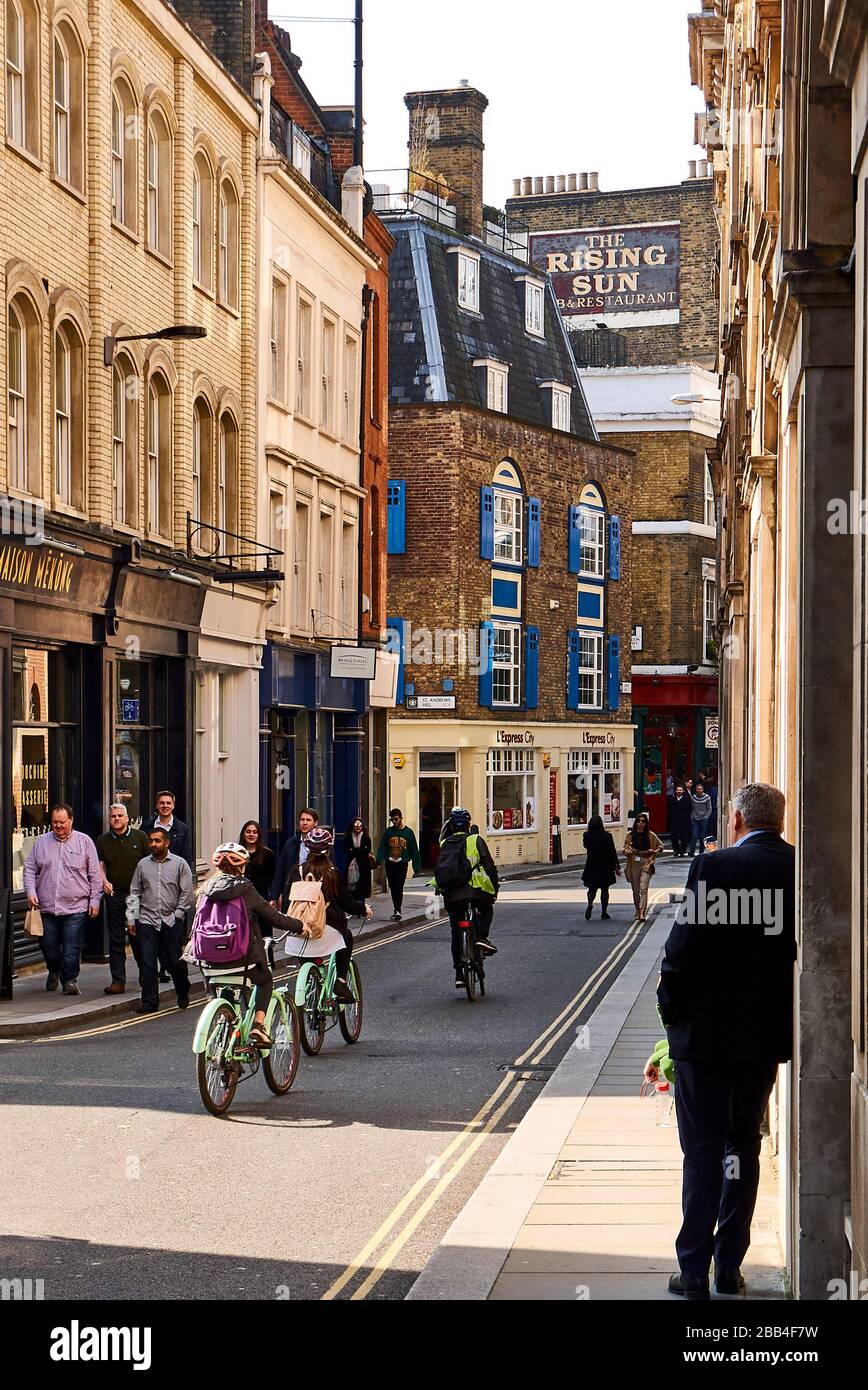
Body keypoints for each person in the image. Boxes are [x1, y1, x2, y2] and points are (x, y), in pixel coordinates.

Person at [657, 782, 796, 1300]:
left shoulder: (714, 869)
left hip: (704, 1041)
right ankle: (728, 1268)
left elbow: (680, 952)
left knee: (701, 1150)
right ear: (779, 822)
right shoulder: (795, 868)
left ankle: (692, 1270)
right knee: (743, 1147)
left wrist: (671, 1016)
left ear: (736, 819)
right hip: (759, 1041)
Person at [193, 842, 305, 1047]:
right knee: (265, 981)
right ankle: (258, 1026)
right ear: (242, 866)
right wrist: (299, 925)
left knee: (215, 979)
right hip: (241, 959)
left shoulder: (204, 890)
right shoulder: (245, 889)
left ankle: (220, 1015)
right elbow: (274, 918)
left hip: (208, 961)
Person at [23, 803, 102, 996]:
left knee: (71, 947)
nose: (58, 826)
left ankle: (69, 980)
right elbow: (30, 870)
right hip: (46, 906)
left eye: (62, 822)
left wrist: (94, 901)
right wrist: (30, 892)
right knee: (49, 947)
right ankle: (54, 969)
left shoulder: (85, 842)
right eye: (54, 822)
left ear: (71, 821)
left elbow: (95, 875)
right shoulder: (41, 842)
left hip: (76, 906)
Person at [126, 827, 195, 1014]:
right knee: (148, 962)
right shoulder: (142, 865)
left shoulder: (180, 864)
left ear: (166, 843)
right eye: (151, 841)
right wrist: (131, 918)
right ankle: (149, 1002)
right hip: (147, 920)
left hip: (171, 920)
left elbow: (187, 893)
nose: (153, 844)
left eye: (157, 841)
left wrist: (177, 915)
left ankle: (183, 990)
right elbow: (135, 892)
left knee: (174, 961)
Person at [300, 826, 372, 1002]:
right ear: (329, 849)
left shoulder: (298, 871)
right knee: (346, 936)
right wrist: (363, 909)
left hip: (301, 928)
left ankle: (311, 979)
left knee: (306, 953)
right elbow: (345, 901)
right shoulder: (332, 873)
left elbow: (288, 899)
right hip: (327, 928)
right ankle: (340, 981)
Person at [434, 807, 499, 989]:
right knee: (486, 909)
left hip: (452, 894)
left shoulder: (444, 843)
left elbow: (439, 869)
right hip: (476, 890)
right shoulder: (475, 839)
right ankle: (481, 937)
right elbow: (489, 866)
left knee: (456, 931)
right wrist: (494, 889)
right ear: (469, 824)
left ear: (451, 826)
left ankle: (459, 974)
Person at [97, 804, 151, 995]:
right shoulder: (102, 841)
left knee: (137, 938)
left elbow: (149, 864)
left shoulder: (140, 837)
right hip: (114, 896)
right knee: (116, 940)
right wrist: (103, 881)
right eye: (113, 816)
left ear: (128, 819)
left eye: (120, 816)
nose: (116, 819)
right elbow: (100, 866)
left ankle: (146, 979)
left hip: (135, 897)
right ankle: (118, 982)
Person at [375, 809, 421, 922]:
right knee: (392, 886)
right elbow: (382, 847)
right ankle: (397, 909)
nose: (394, 822)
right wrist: (379, 861)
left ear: (401, 818)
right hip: (390, 863)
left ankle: (397, 910)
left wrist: (416, 867)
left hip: (402, 863)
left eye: (396, 819)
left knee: (399, 886)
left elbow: (414, 849)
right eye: (392, 820)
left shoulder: (408, 833)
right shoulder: (388, 832)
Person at [269, 808, 319, 910]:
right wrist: (273, 897)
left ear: (315, 823)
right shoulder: (290, 844)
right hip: (293, 893)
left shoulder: (322, 844)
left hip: (315, 894)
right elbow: (281, 872)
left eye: (308, 820)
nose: (304, 823)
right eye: (302, 820)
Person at [623, 812, 663, 923]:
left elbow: (661, 846)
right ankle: (637, 909)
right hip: (634, 863)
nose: (641, 823)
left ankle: (642, 912)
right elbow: (625, 849)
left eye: (643, 821)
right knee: (635, 890)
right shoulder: (630, 835)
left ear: (646, 823)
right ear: (636, 823)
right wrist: (628, 851)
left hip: (647, 863)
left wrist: (654, 851)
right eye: (639, 821)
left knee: (643, 889)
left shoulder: (651, 835)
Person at [581, 815, 621, 920]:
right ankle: (604, 912)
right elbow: (612, 851)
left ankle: (590, 904)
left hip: (592, 865)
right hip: (605, 865)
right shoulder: (607, 836)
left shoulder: (587, 835)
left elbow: (586, 846)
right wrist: (617, 866)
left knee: (592, 888)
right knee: (604, 889)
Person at [142, 791, 193, 868]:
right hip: (150, 872)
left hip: (173, 874)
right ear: (157, 805)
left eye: (168, 803)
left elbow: (186, 857)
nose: (165, 806)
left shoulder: (182, 828)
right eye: (162, 803)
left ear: (173, 806)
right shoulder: (146, 826)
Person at [342, 818, 374, 903]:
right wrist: (359, 851)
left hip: (363, 865)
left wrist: (355, 850)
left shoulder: (366, 837)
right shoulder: (348, 838)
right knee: (351, 885)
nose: (358, 827)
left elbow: (366, 850)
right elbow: (347, 850)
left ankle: (361, 906)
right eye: (356, 825)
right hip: (351, 864)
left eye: (360, 825)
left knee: (362, 886)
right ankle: (353, 904)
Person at [668, 783, 693, 858]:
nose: (679, 791)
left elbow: (689, 810)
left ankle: (682, 851)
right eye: (678, 790)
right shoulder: (672, 799)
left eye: (680, 790)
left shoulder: (687, 799)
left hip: (684, 822)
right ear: (675, 791)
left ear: (683, 791)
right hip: (674, 822)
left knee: (684, 837)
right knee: (673, 837)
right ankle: (676, 850)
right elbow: (669, 810)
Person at [688, 781, 713, 857]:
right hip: (695, 819)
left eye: (700, 789)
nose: (699, 790)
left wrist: (705, 817)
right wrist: (692, 816)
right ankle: (692, 852)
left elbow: (709, 809)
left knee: (702, 836)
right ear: (696, 789)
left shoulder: (707, 797)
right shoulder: (693, 797)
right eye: (698, 789)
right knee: (694, 835)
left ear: (703, 790)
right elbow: (691, 807)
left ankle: (701, 852)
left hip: (703, 819)